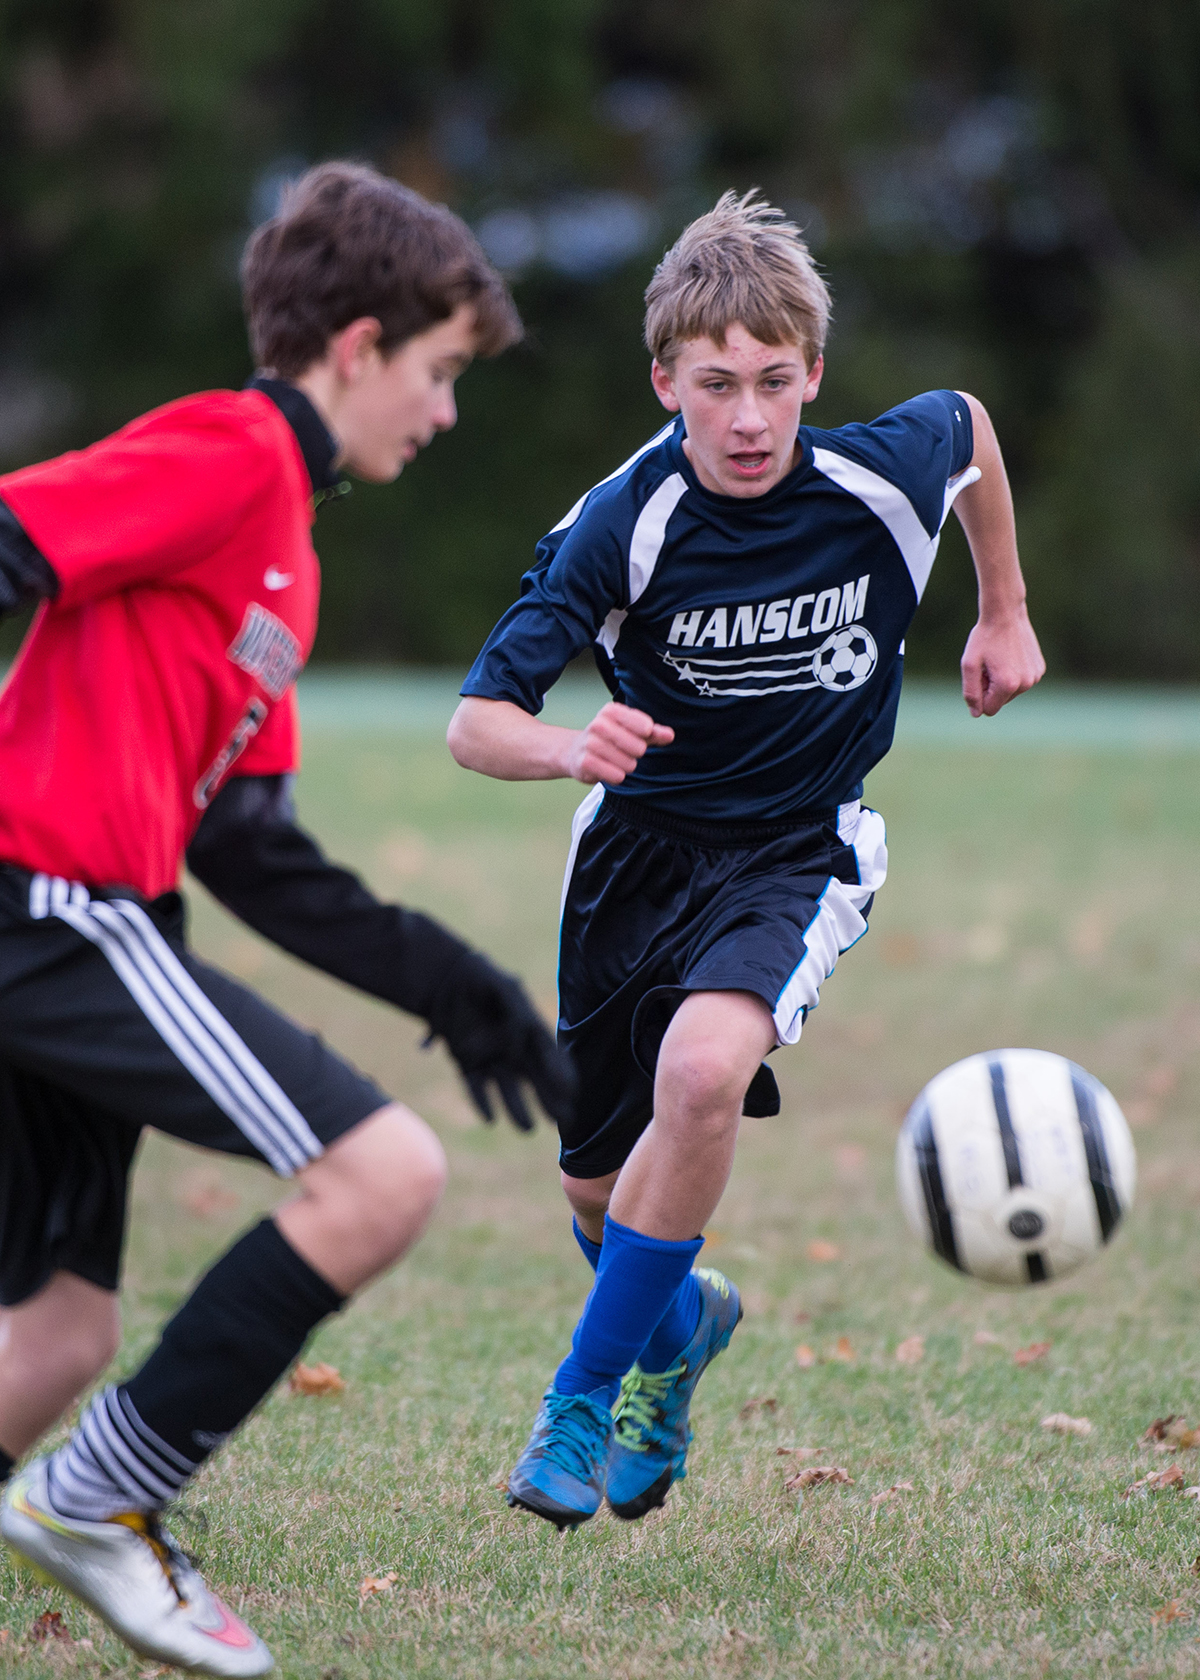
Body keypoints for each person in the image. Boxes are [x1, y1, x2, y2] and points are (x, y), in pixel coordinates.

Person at [0, 161, 571, 1674]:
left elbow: (253, 850)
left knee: (57, 1339)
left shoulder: (289, 556)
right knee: (383, 1175)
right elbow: (11, 534)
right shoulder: (234, 450)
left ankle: (81, 1482)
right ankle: (101, 1509)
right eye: (440, 372)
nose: (445, 414)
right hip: (49, 909)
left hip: (85, 920)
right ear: (360, 344)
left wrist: (454, 985)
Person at [447, 189, 1046, 1531]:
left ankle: (582, 1401)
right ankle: (679, 1328)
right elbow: (476, 722)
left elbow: (972, 431)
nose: (750, 417)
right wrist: (568, 750)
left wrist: (1003, 609)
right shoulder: (622, 520)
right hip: (634, 861)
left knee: (703, 1073)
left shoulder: (878, 476)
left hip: (799, 847)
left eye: (776, 381)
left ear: (813, 374)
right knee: (596, 1193)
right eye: (716, 384)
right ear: (666, 380)